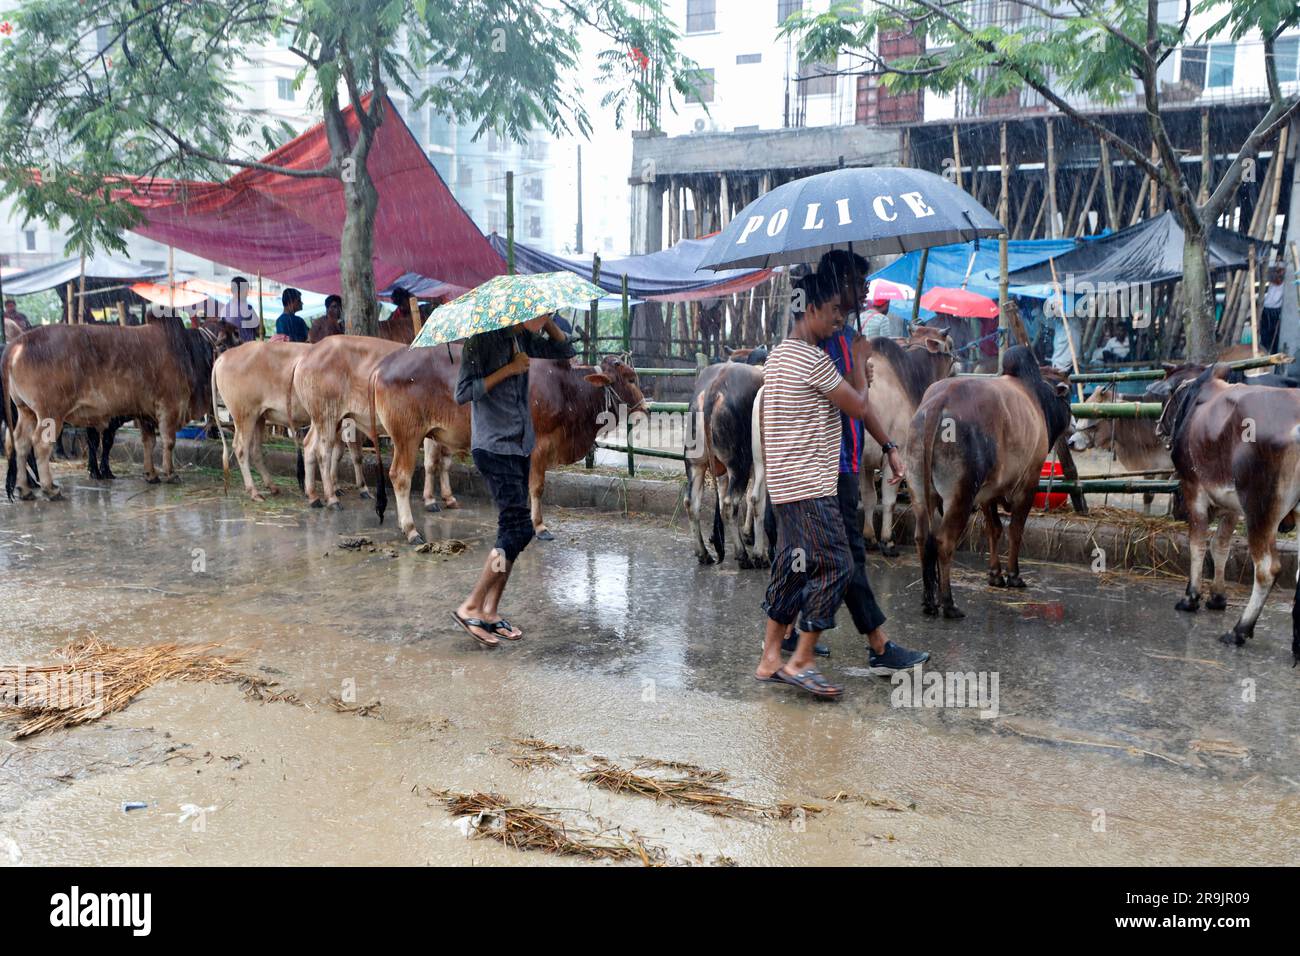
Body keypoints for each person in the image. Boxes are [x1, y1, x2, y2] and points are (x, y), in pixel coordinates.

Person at [778, 251, 929, 673]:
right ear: (837, 286)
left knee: (809, 555)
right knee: (845, 558)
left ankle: (789, 639)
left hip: (836, 461)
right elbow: (857, 401)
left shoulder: (842, 337)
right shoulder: (822, 341)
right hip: (829, 467)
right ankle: (875, 647)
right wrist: (859, 371)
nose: (864, 291)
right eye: (858, 283)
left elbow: (859, 410)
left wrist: (889, 445)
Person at [755, 271, 902, 699]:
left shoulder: (778, 356)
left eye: (843, 310)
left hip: (784, 487)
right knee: (836, 565)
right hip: (813, 487)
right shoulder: (814, 360)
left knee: (789, 566)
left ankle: (770, 657)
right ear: (812, 309)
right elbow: (857, 407)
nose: (840, 318)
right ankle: (802, 659)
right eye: (834, 310)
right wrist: (857, 364)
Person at [451, 312, 575, 647]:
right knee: (518, 529)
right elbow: (462, 393)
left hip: (520, 444)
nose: (543, 317)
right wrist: (507, 370)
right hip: (494, 446)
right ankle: (471, 605)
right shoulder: (482, 341)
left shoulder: (521, 337)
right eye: (539, 312)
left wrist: (548, 323)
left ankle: (490, 611)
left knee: (514, 534)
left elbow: (566, 351)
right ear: (517, 312)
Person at [221, 276, 260, 343]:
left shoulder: (224, 309)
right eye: (246, 291)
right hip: (247, 350)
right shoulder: (247, 308)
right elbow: (260, 332)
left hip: (230, 350)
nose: (247, 294)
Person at [1260, 266, 1285, 355]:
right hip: (1266, 310)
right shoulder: (1272, 284)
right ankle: (1265, 352)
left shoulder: (1284, 284)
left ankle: (1273, 352)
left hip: (1274, 312)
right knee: (1265, 334)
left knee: (1274, 334)